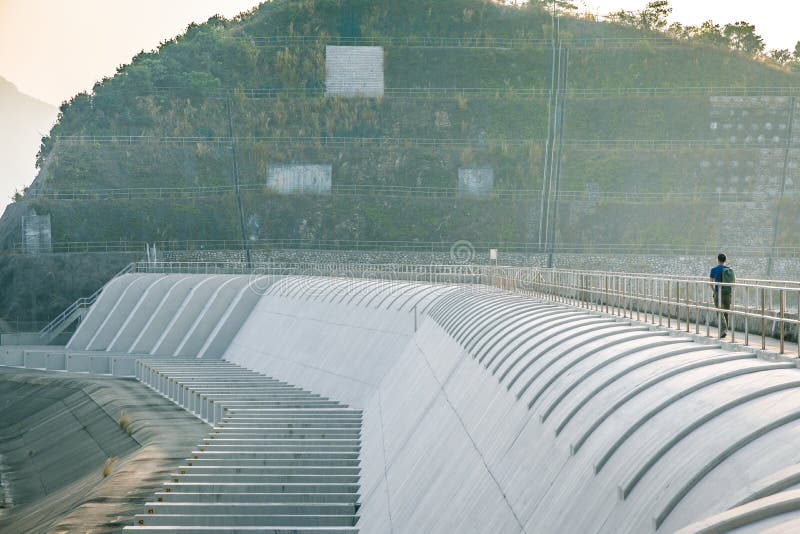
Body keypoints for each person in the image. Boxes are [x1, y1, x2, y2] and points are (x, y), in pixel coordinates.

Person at [709, 253, 734, 338]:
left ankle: (723, 330)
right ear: (725, 260)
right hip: (727, 293)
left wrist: (714, 292)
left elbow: (711, 283)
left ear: (718, 260)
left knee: (719, 311)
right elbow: (734, 282)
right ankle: (725, 330)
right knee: (726, 312)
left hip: (718, 293)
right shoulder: (729, 270)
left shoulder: (714, 269)